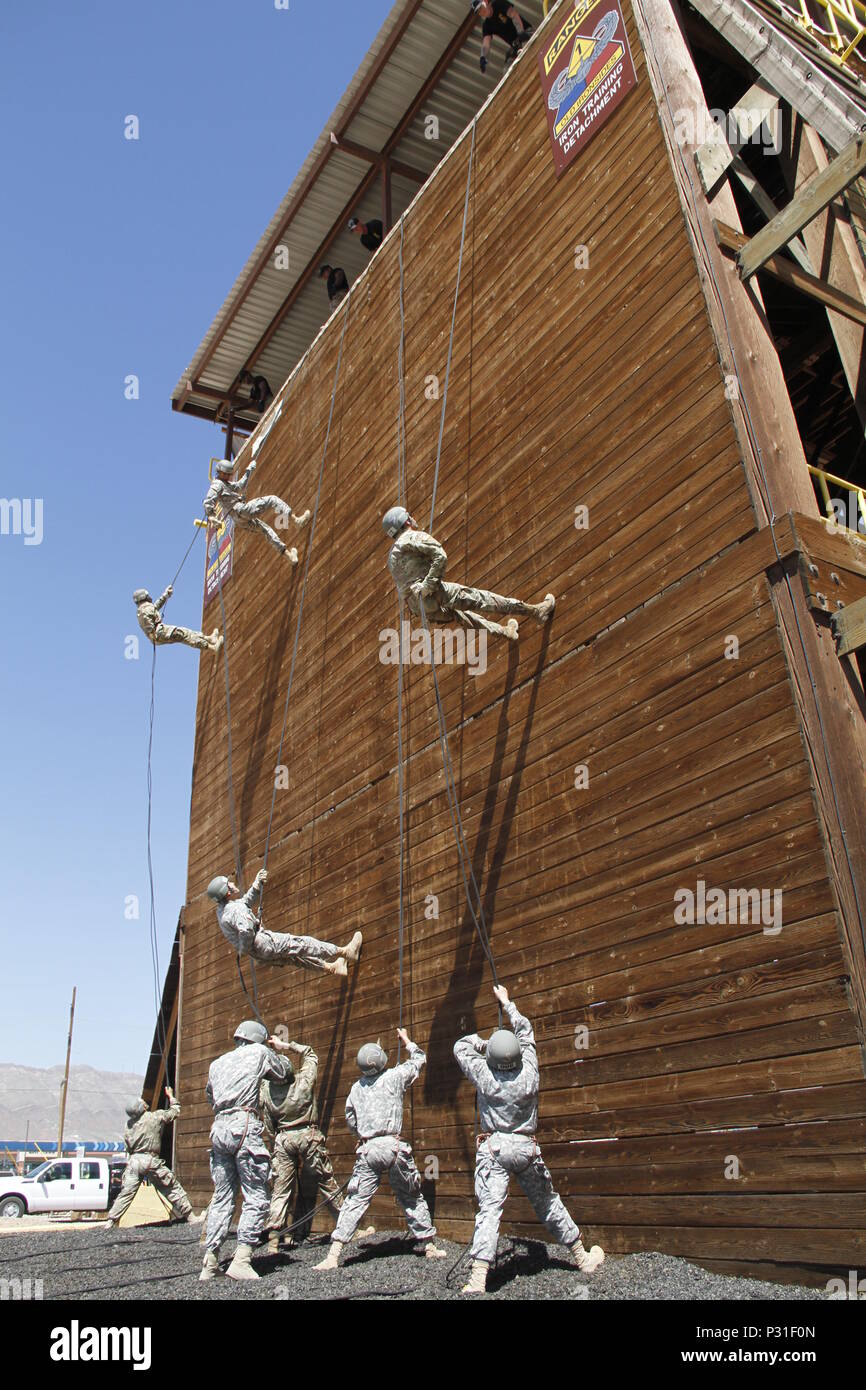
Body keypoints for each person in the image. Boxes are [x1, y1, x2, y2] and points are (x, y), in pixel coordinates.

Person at [454, 984, 604, 1294]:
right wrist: (507, 1003)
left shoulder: (484, 1074)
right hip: (525, 1148)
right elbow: (526, 1032)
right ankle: (581, 1257)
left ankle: (478, 1278)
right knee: (548, 1203)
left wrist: (484, 1044)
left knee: (490, 1211)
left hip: (494, 1149)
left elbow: (460, 1047)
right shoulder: (530, 1071)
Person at [314, 1029, 446, 1270]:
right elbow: (420, 1059)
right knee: (411, 1195)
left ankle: (333, 1255)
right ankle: (428, 1245)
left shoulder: (355, 1089)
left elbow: (350, 1119)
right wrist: (406, 1041)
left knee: (356, 1200)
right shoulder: (395, 1077)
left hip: (368, 1149)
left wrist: (360, 1137)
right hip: (394, 1147)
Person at [200, 1021, 294, 1281]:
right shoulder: (260, 1053)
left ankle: (210, 1262)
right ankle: (241, 1260)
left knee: (222, 1197)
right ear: (259, 1040)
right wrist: (278, 1050)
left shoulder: (216, 1064)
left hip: (219, 1128)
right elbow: (285, 1073)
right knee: (256, 1196)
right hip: (244, 1124)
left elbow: (210, 1096)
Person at [382, 505, 555, 642]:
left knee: (463, 616)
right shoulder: (411, 537)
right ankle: (535, 612)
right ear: (405, 521)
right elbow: (440, 556)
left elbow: (403, 590)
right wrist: (428, 585)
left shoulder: (391, 558)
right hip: (432, 593)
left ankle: (505, 632)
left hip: (421, 608)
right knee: (483, 599)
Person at [261, 1039, 346, 1252]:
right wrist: (285, 1045)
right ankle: (346, 1224)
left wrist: (276, 1143)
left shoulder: (266, 1091)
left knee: (280, 1190)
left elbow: (268, 1125)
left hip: (283, 1138)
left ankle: (274, 1237)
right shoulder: (304, 1080)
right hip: (308, 1134)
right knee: (326, 1181)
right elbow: (310, 1053)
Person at [206, 869, 362, 977]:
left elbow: (245, 903)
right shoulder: (234, 911)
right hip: (262, 943)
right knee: (301, 944)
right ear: (225, 892)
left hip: (260, 954)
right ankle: (345, 952)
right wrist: (253, 929)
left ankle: (332, 968)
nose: (232, 884)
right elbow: (246, 932)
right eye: (228, 884)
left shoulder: (223, 910)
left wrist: (256, 884)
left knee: (296, 958)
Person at [105, 1089, 199, 1227]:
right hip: (150, 1160)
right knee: (171, 1187)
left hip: (134, 1161)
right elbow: (175, 1111)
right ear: (140, 1107)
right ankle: (190, 1216)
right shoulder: (155, 1117)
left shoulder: (128, 1125)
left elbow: (128, 1147)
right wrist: (171, 1096)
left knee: (126, 1193)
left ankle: (111, 1221)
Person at [203, 458, 311, 566]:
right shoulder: (217, 485)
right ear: (220, 472)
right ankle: (296, 521)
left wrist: (248, 471)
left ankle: (290, 557)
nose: (228, 476)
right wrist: (212, 517)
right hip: (241, 510)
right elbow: (208, 502)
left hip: (239, 519)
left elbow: (240, 486)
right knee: (272, 499)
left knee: (266, 530)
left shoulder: (224, 483)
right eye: (226, 474)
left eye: (229, 474)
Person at [133, 587, 222, 655]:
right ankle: (212, 648)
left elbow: (155, 607)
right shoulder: (143, 610)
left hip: (159, 633)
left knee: (186, 632)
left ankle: (209, 639)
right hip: (159, 633)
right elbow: (150, 623)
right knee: (185, 636)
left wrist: (165, 595)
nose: (149, 597)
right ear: (143, 596)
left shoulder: (144, 608)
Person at [471, 0, 533, 72]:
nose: (481, 12)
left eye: (481, 7)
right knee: (507, 67)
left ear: (486, 2)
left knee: (526, 48)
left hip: (526, 32)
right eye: (478, 12)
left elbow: (514, 14)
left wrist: (521, 33)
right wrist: (483, 57)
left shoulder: (498, 3)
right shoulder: (486, 25)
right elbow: (486, 43)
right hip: (516, 44)